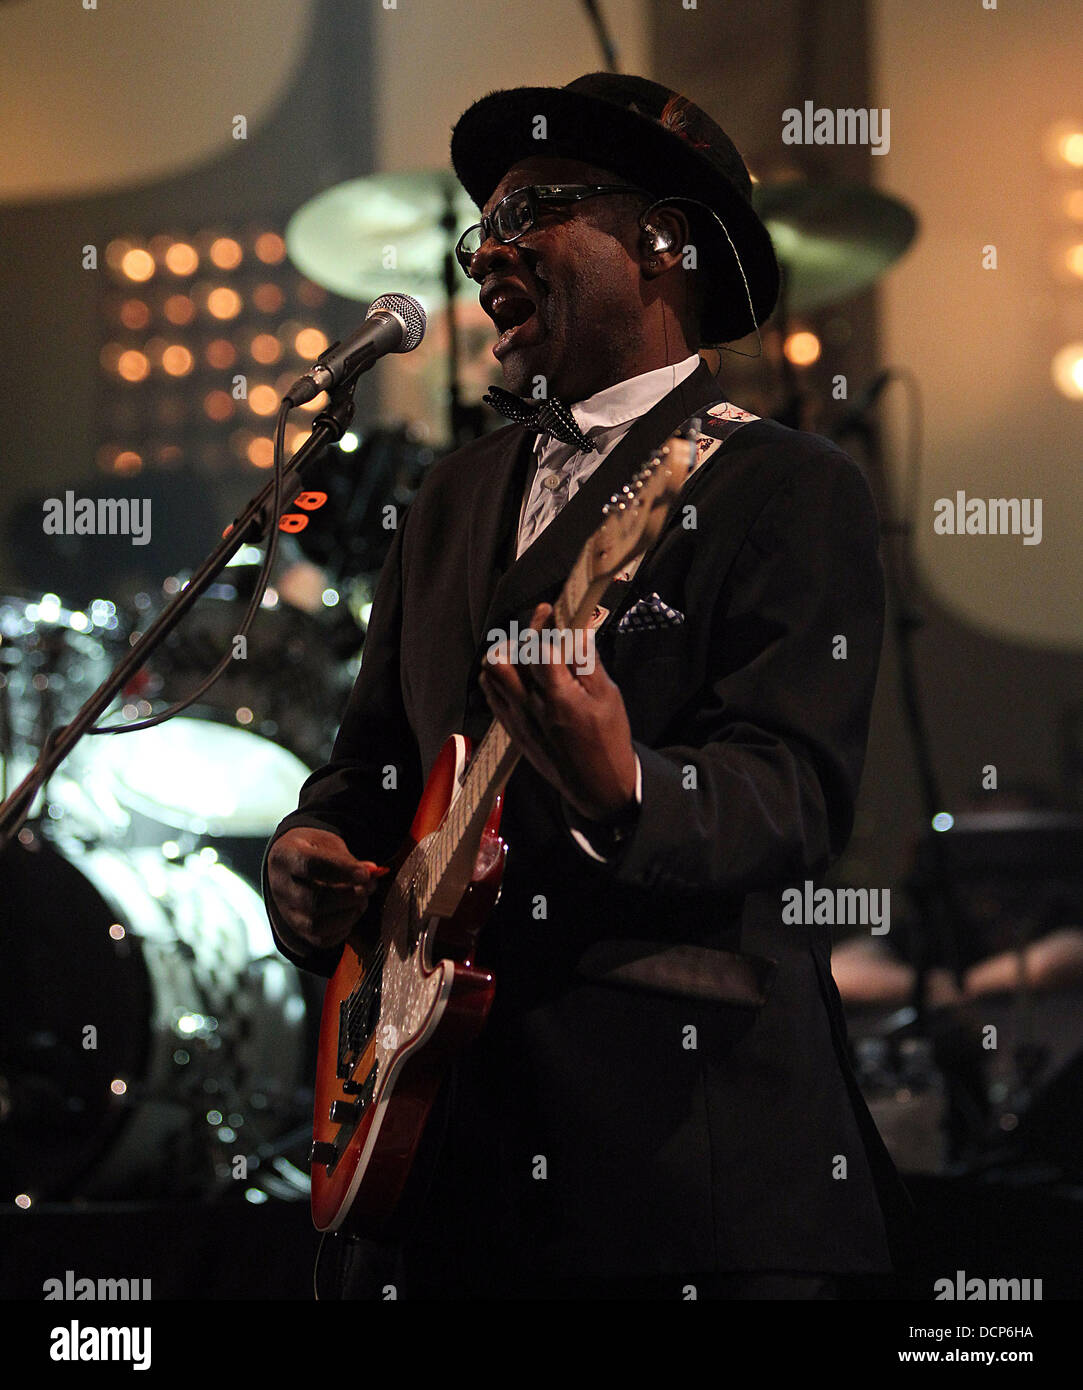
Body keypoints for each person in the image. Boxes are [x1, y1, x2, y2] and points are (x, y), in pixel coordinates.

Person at [263, 73, 908, 1299]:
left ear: (661, 242)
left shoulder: (781, 486)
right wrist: (314, 843)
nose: (488, 252)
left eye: (533, 212)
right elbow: (377, 759)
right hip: (436, 1161)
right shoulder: (451, 497)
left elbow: (795, 800)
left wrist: (626, 783)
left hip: (667, 1158)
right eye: (478, 232)